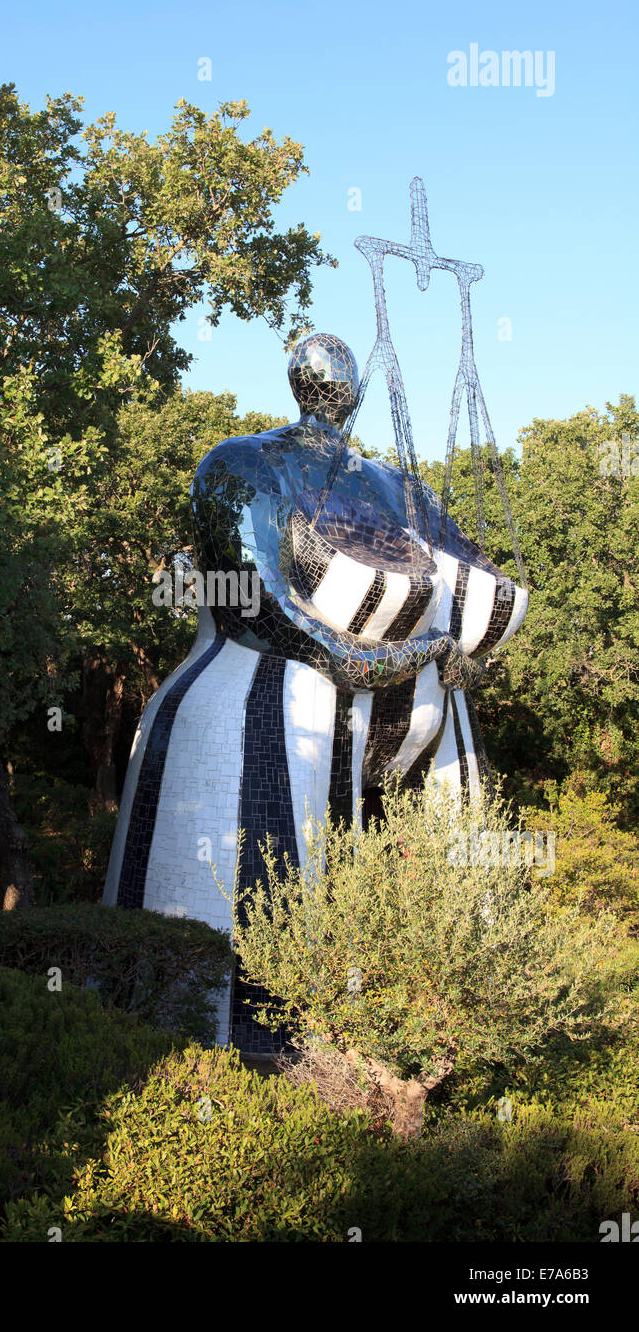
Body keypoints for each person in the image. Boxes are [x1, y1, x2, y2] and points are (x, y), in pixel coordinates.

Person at [103, 333, 528, 1050]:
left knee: (375, 851)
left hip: (362, 696)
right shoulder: (312, 475)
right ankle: (253, 1036)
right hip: (282, 699)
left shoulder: (247, 463)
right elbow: (251, 606)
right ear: (350, 391)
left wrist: (391, 660)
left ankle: (399, 1019)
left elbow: (250, 598)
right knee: (265, 866)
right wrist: (367, 661)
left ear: (299, 384)